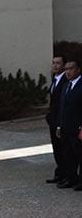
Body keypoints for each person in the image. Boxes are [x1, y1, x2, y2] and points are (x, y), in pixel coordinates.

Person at [56, 57, 82, 190]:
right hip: (66, 127)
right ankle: (71, 178)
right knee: (68, 154)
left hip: (78, 128)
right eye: (66, 69)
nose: (68, 72)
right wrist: (59, 125)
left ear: (78, 70)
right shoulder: (66, 85)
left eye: (71, 69)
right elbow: (62, 107)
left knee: (80, 154)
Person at [46, 55, 66, 184]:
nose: (55, 65)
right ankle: (60, 173)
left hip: (61, 120)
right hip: (53, 120)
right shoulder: (55, 78)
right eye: (53, 63)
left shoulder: (66, 79)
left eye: (58, 63)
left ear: (63, 65)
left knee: (63, 148)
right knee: (56, 148)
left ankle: (66, 174)